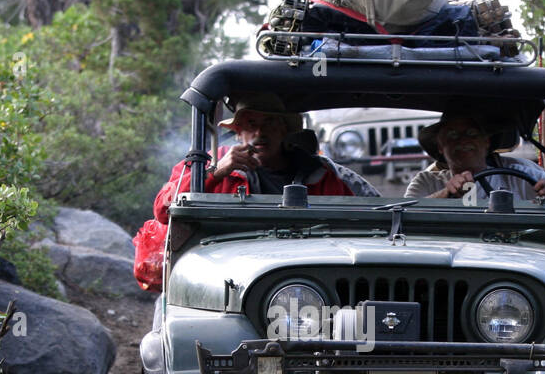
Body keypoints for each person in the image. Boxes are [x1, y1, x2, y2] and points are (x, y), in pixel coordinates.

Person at [136, 94, 378, 291]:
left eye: (271, 123)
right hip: (224, 278)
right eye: (252, 124)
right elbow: (163, 209)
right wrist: (215, 173)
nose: (261, 133)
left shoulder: (323, 175)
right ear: (238, 131)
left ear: (284, 131)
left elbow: (372, 219)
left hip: (309, 280)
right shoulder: (206, 166)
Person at [404, 111, 545, 203]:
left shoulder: (516, 174)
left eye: (472, 133)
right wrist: (446, 194)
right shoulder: (426, 181)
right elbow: (401, 213)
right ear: (440, 147)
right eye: (453, 135)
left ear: (486, 141)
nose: (463, 140)